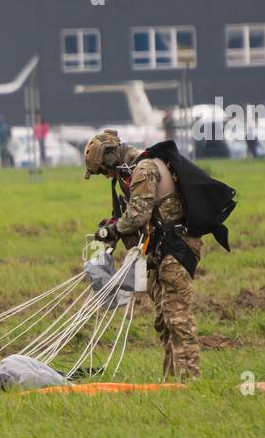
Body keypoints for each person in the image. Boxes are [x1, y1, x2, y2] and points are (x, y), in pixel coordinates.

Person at [84, 129, 204, 379]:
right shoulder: (130, 173)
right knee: (163, 321)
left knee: (177, 319)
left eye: (103, 170)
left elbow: (138, 215)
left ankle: (190, 382)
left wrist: (113, 230)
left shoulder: (144, 169)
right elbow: (138, 215)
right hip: (158, 253)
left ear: (109, 157)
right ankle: (171, 381)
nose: (106, 176)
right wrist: (114, 224)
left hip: (176, 249)